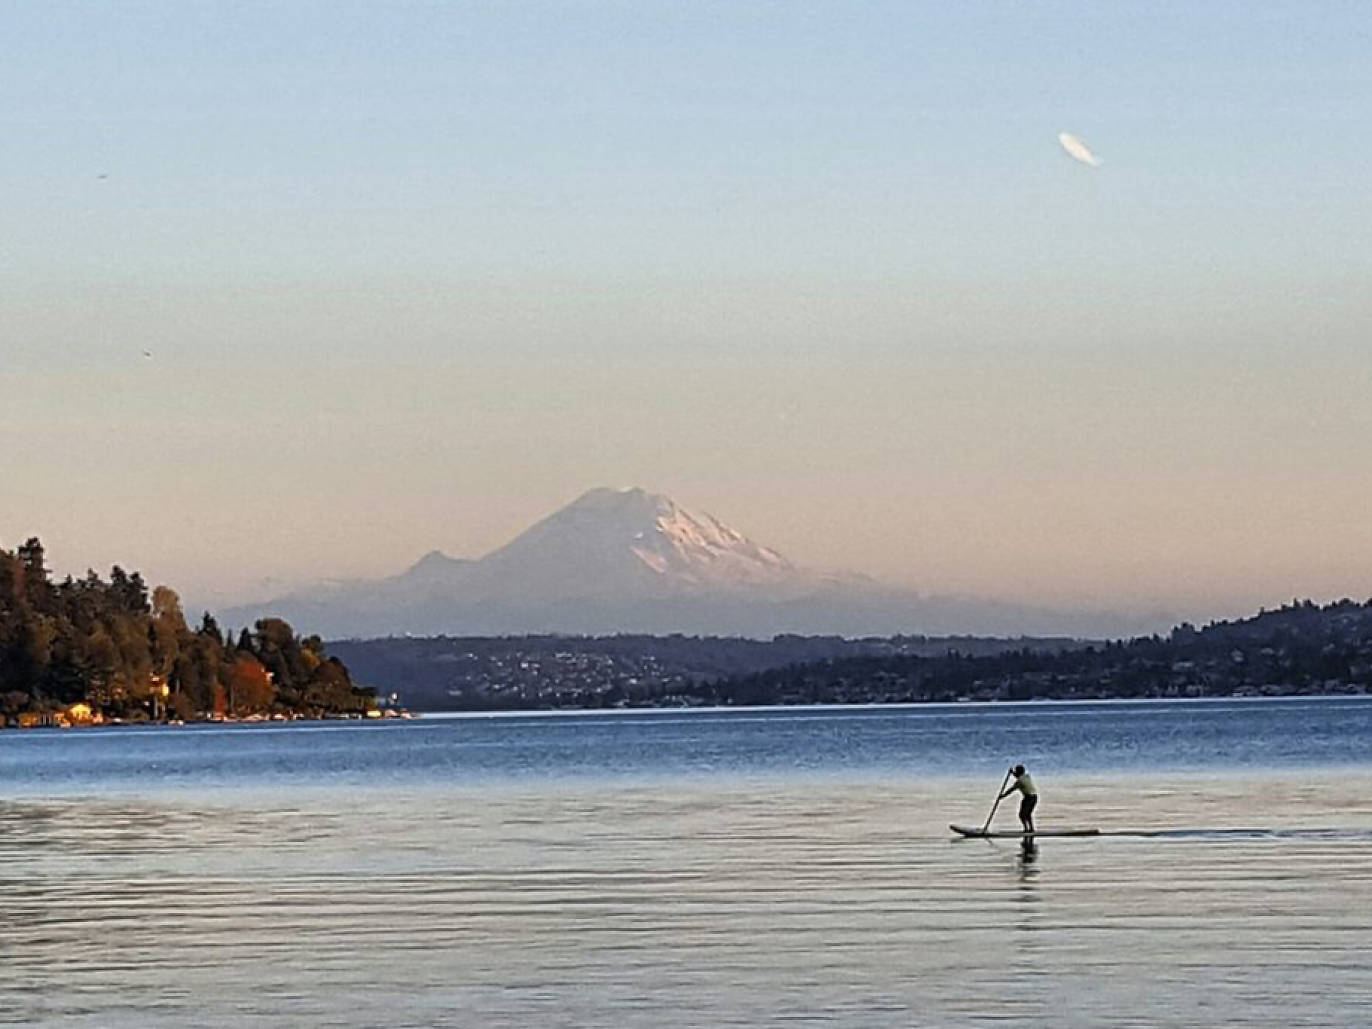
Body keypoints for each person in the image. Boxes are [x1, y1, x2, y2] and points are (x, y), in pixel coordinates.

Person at [999, 764, 1038, 833]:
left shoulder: (1019, 781)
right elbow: (1018, 776)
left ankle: (1027, 829)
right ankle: (1031, 829)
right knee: (1027, 814)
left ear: (1018, 772)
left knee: (1022, 815)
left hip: (1029, 798)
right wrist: (1012, 773)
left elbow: (1011, 790)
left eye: (1016, 771)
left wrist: (1003, 796)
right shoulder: (1027, 776)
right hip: (1034, 797)